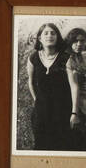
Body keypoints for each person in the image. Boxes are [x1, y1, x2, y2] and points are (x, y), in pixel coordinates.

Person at [27, 22, 74, 150]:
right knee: (41, 146)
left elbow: (74, 86)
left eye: (53, 33)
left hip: (63, 111)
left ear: (57, 37)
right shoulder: (33, 58)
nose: (49, 36)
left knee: (62, 146)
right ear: (40, 38)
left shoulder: (66, 58)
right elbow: (30, 82)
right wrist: (37, 100)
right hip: (41, 112)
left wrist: (74, 112)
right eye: (46, 33)